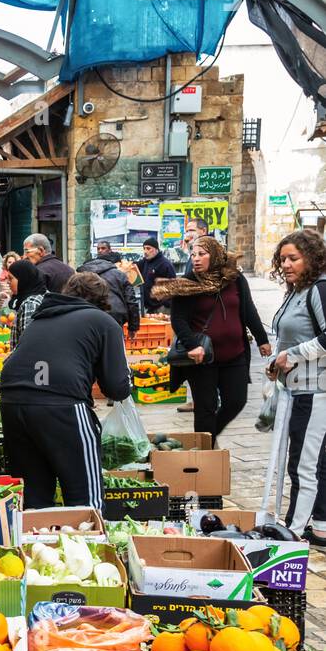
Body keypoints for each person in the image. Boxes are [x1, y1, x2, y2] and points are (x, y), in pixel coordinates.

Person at [0, 271, 131, 508]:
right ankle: (90, 540)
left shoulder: (41, 318)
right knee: (85, 495)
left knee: (33, 495)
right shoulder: (104, 322)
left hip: (12, 402)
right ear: (103, 300)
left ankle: (33, 540)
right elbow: (117, 387)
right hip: (61, 404)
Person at [152, 238, 271, 444]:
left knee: (236, 401)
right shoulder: (188, 283)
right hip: (202, 359)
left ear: (216, 255)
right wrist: (192, 345)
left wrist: (262, 339)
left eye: (202, 254)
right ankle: (205, 453)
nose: (196, 259)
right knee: (205, 408)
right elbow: (178, 320)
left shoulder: (236, 279)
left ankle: (207, 438)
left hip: (235, 354)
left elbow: (249, 310)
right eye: (193, 254)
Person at [266, 229, 326, 544]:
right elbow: (292, 336)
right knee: (305, 460)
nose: (287, 264)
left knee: (305, 463)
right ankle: (317, 523)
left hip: (316, 391)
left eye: (294, 258)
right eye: (283, 258)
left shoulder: (319, 289)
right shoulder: (295, 291)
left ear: (311, 259)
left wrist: (292, 355)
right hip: (297, 389)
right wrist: (277, 360)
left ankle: (295, 527)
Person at [77, 254, 139, 334]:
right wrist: (133, 327)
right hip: (116, 315)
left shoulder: (81, 277)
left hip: (90, 316)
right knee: (114, 343)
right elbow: (131, 301)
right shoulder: (119, 274)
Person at [9, 233, 73, 310]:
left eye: (27, 252)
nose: (24, 256)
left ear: (41, 250)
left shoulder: (36, 273)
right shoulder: (69, 269)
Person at [138, 241, 177, 312]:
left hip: (162, 307)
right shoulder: (145, 262)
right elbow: (133, 268)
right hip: (150, 307)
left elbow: (173, 285)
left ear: (156, 249)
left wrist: (165, 304)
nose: (145, 251)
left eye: (148, 248)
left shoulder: (165, 264)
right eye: (144, 248)